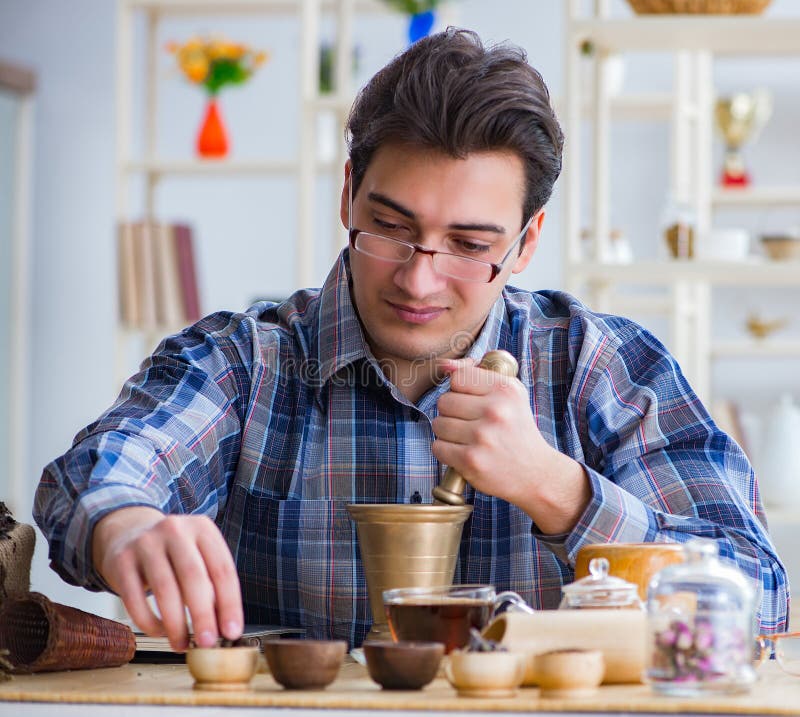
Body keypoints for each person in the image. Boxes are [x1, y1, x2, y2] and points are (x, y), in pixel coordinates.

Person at [35, 28, 788, 652]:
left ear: (526, 242)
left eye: (468, 244)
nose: (418, 280)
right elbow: (90, 478)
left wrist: (557, 490)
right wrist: (125, 526)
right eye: (390, 227)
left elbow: (760, 596)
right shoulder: (248, 362)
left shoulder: (603, 366)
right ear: (347, 195)